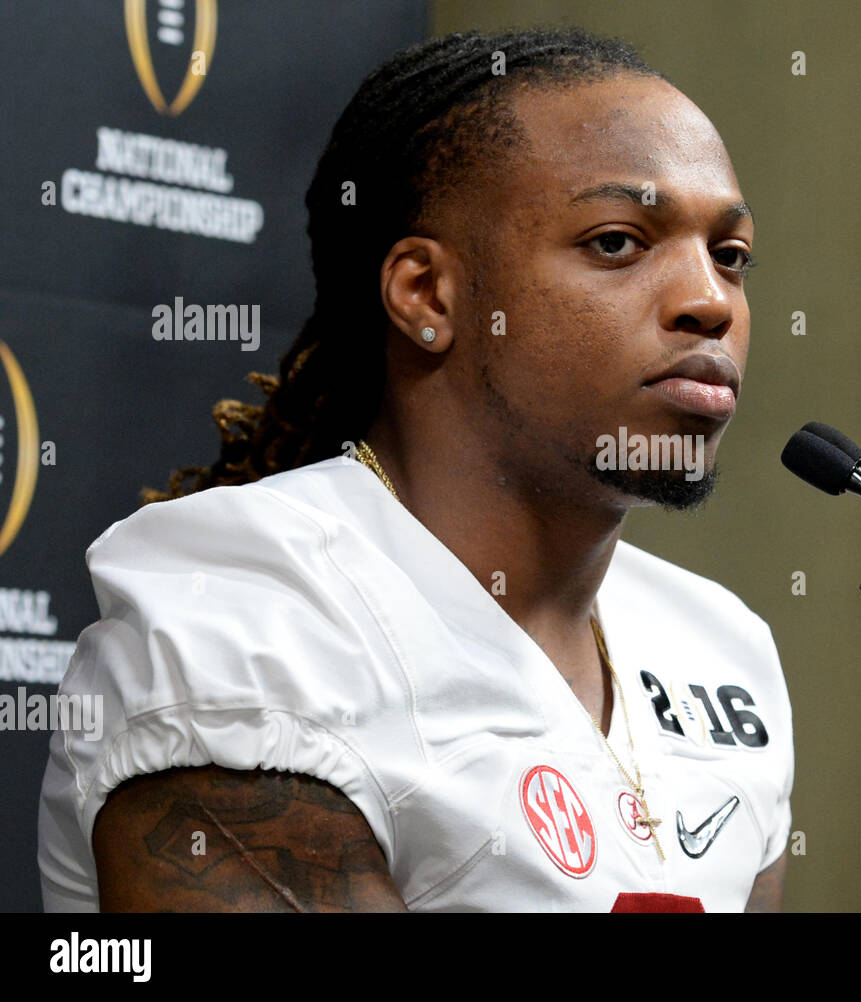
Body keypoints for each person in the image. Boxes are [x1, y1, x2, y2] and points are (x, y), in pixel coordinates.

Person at [37, 26, 793, 912]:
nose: (709, 301)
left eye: (729, 256)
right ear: (428, 295)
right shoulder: (251, 617)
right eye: (618, 242)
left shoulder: (722, 642)